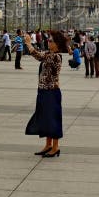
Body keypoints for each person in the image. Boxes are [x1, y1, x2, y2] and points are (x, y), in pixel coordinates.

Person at [24, 30, 70, 158]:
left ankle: (55, 147)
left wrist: (28, 43)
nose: (48, 42)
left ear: (57, 44)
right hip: (44, 91)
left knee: (53, 119)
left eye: (51, 41)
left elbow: (38, 56)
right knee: (45, 118)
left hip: (51, 92)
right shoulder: (49, 53)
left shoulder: (55, 56)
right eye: (48, 40)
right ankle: (48, 145)